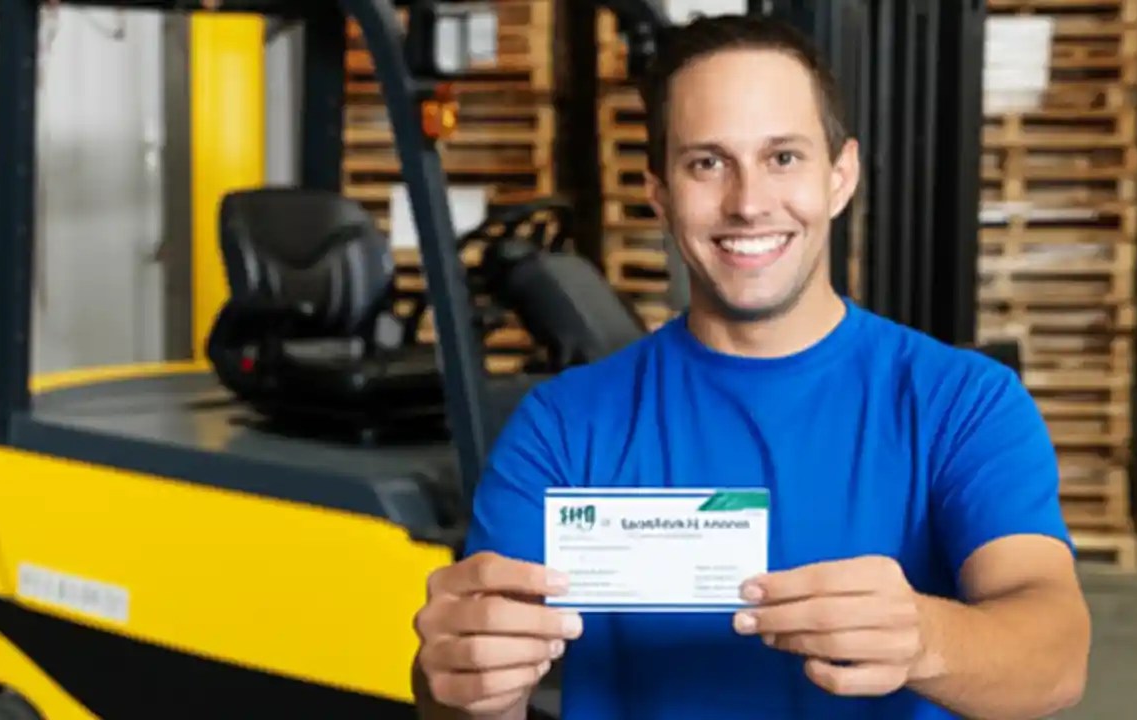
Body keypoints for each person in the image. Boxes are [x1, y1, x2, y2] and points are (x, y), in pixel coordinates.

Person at [411, 14, 1091, 720]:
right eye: (708, 162)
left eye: (783, 158)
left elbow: (1056, 657)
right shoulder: (564, 427)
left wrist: (924, 639)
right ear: (659, 193)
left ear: (841, 175)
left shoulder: (962, 404)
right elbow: (464, 694)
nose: (748, 203)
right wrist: (460, 684)